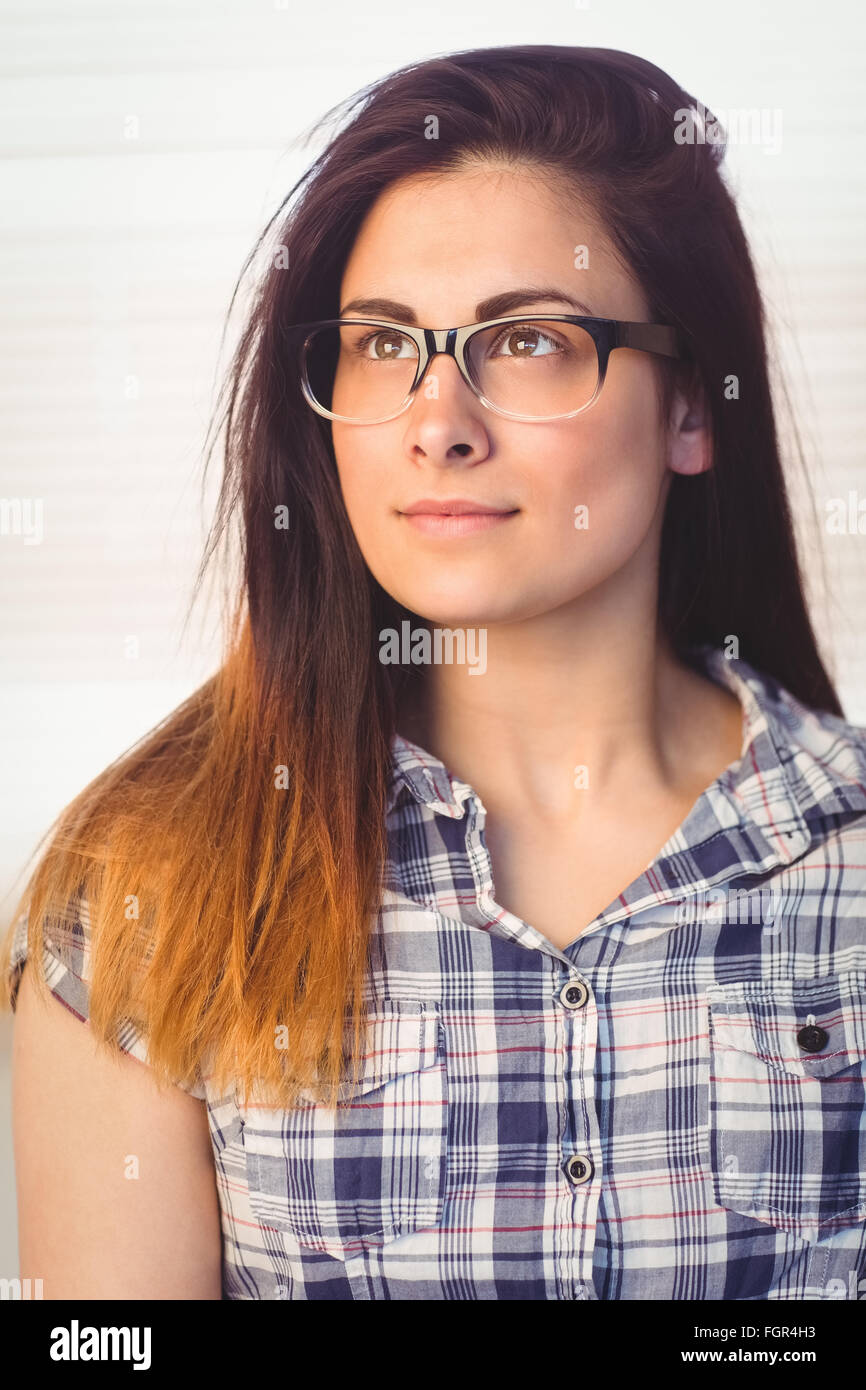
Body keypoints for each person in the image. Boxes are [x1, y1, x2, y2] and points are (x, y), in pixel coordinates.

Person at [4, 44, 866, 1302]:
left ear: (689, 407)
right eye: (382, 343)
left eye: (524, 340)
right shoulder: (147, 894)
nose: (437, 420)